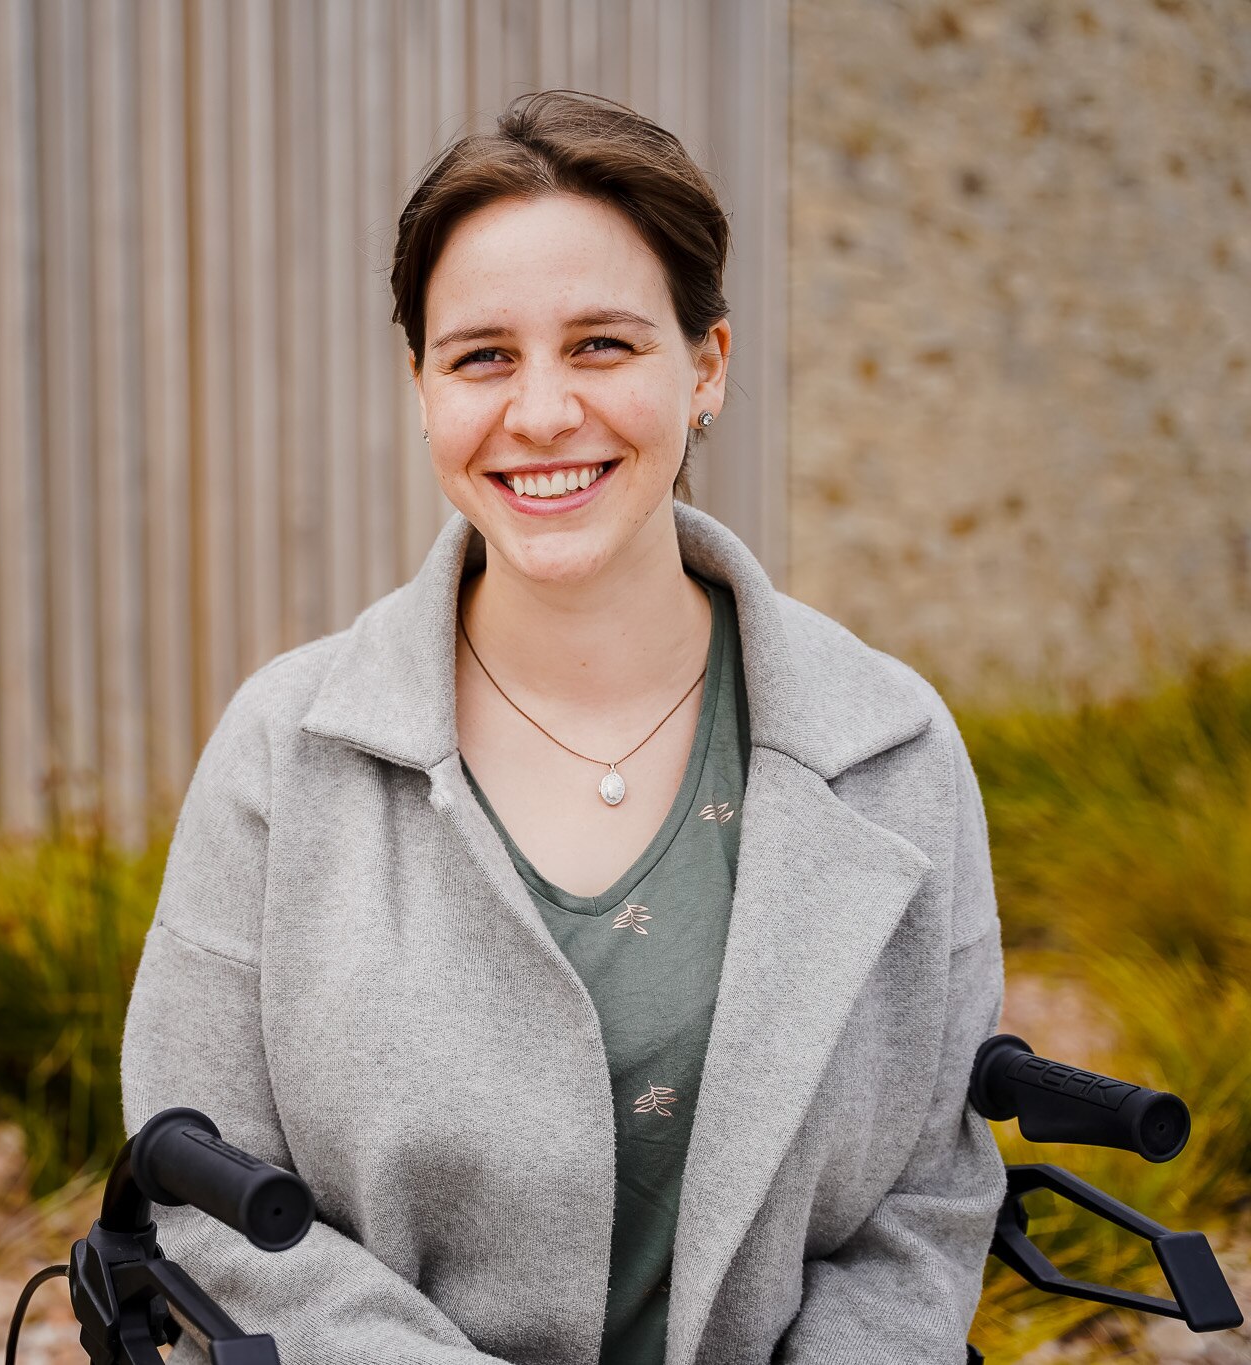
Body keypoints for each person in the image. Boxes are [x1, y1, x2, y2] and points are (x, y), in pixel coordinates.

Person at [120, 90, 1006, 1365]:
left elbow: (928, 1196)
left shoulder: (894, 749)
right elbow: (200, 1191)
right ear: (419, 389)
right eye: (480, 356)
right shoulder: (282, 751)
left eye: (600, 345)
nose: (539, 413)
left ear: (705, 367)